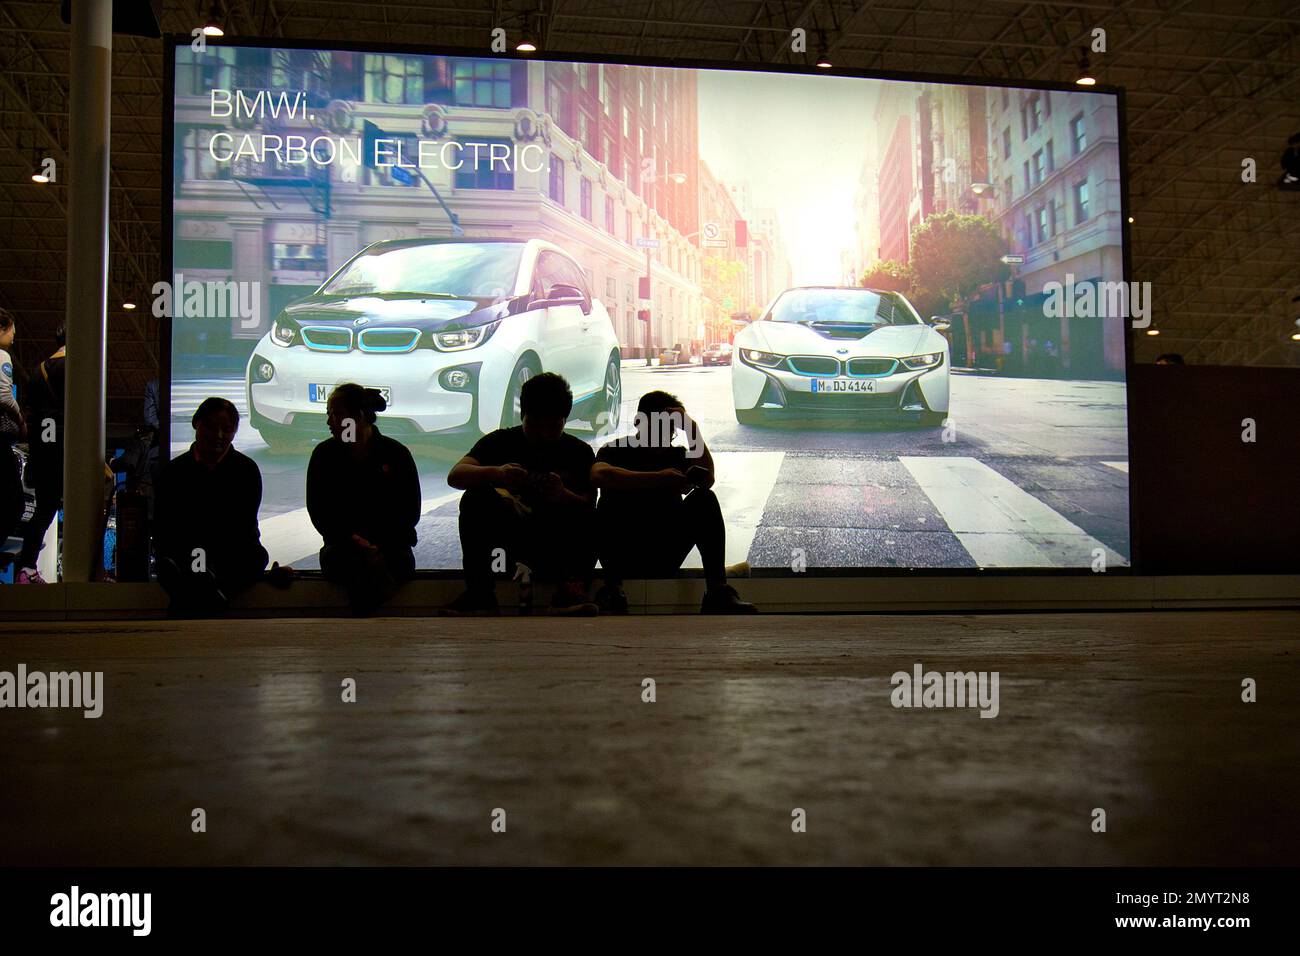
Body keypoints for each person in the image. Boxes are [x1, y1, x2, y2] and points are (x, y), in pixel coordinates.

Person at [443, 371, 597, 616]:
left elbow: (589, 507)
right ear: (523, 415)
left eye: (553, 426)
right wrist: (496, 473)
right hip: (508, 547)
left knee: (592, 514)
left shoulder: (579, 452)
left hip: (554, 545)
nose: (545, 434)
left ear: (565, 419)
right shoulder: (499, 442)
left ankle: (571, 589)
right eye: (536, 426)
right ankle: (480, 592)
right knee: (474, 499)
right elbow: (456, 475)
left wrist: (562, 495)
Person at [591, 390, 756, 614]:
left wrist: (692, 430)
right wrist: (659, 479)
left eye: (670, 429)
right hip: (624, 551)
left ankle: (717, 591)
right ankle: (612, 590)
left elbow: (707, 479)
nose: (665, 436)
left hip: (664, 548)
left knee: (704, 499)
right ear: (639, 423)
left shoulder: (676, 455)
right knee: (602, 507)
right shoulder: (616, 450)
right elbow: (599, 475)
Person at [306, 383, 420, 614]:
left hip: (391, 547)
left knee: (375, 567)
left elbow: (409, 511)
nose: (330, 422)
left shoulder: (396, 454)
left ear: (358, 417)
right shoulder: (324, 456)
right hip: (342, 548)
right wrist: (358, 544)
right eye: (329, 415)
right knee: (356, 564)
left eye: (336, 415)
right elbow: (319, 512)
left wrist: (376, 546)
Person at [153, 397, 269, 616]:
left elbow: (241, 527)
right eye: (210, 427)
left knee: (255, 556)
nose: (218, 436)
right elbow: (166, 526)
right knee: (175, 561)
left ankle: (198, 592)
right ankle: (212, 593)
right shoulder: (173, 472)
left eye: (226, 429)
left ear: (234, 431)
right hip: (187, 551)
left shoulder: (246, 470)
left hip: (230, 552)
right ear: (196, 424)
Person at [15, 324, 65, 583]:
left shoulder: (38, 370)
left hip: (43, 448)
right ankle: (91, 569)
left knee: (45, 508)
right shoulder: (75, 367)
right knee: (88, 507)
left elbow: (30, 411)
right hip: (68, 448)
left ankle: (27, 566)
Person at [0, 308, 26, 563]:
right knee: (13, 503)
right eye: (12, 333)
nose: (14, 338)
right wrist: (20, 418)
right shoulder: (2, 356)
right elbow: (5, 395)